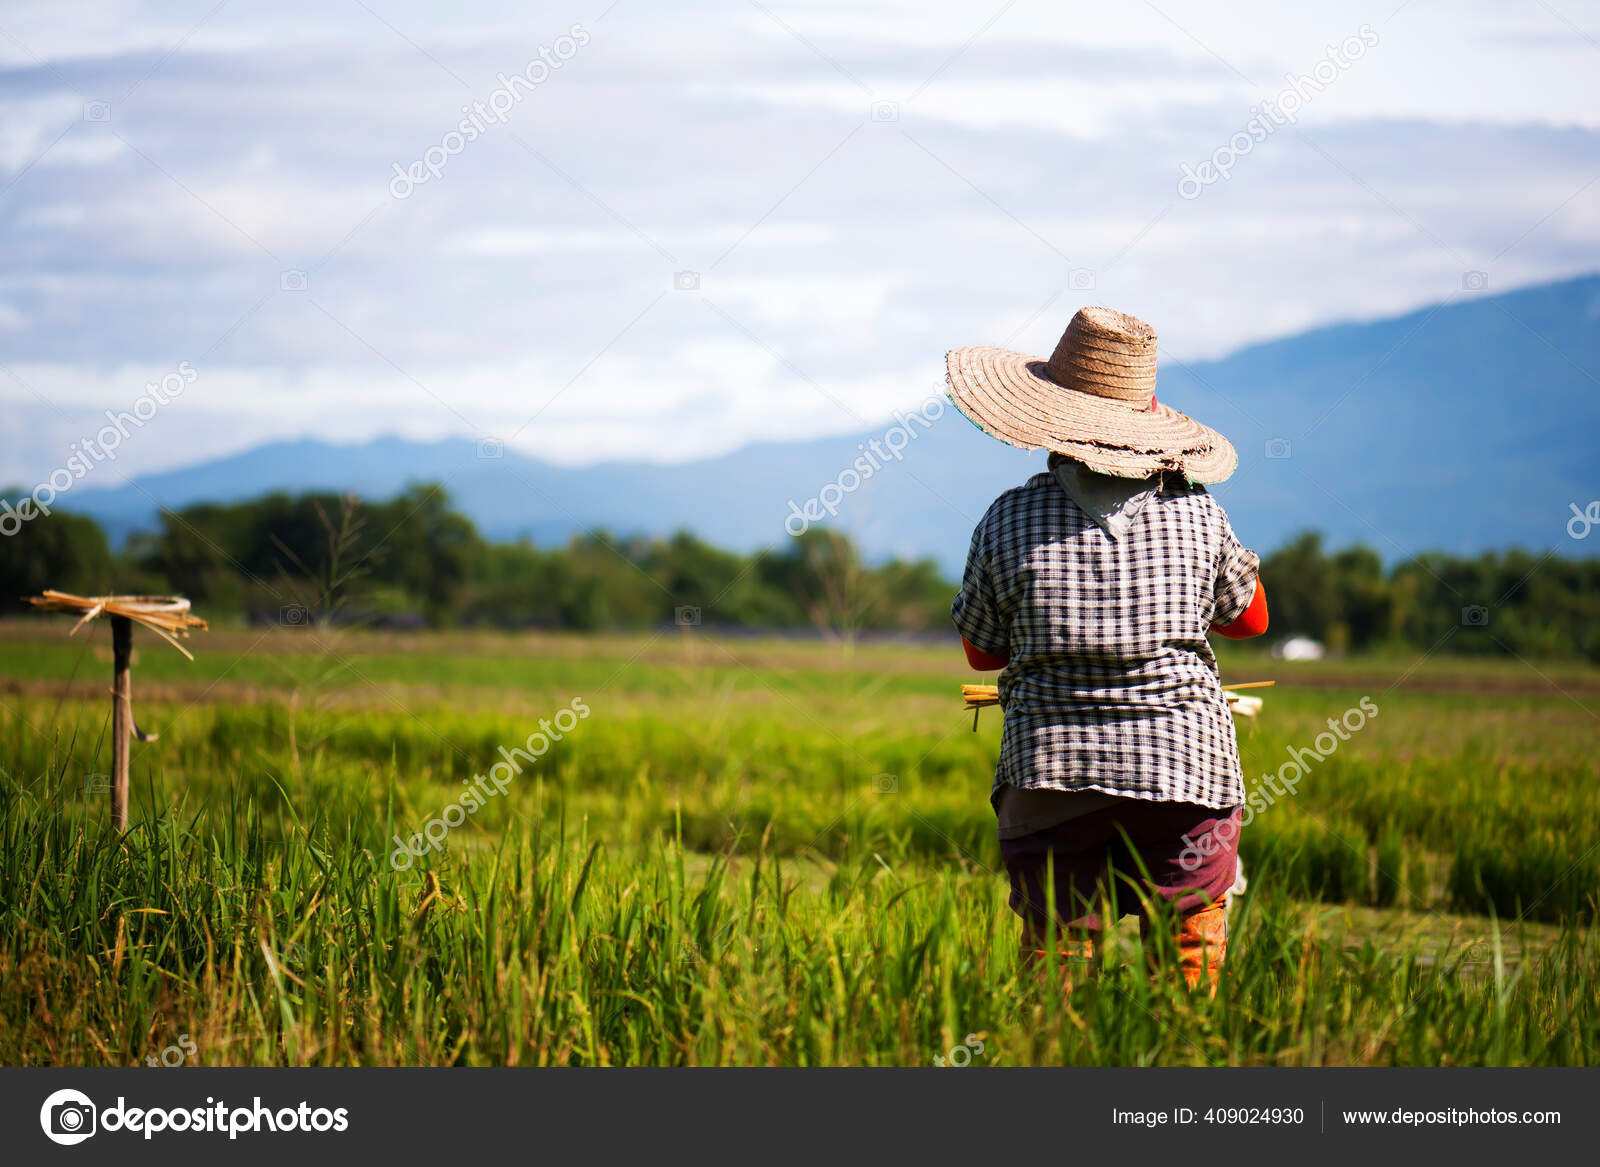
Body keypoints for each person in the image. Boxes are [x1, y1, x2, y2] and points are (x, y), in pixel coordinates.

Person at [945, 306, 1268, 993]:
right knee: (1188, 954)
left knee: (1057, 965)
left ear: (1047, 420)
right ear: (1147, 420)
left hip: (1049, 775)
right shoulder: (1199, 512)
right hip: (1188, 772)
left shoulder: (1007, 517)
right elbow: (1251, 621)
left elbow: (981, 654)